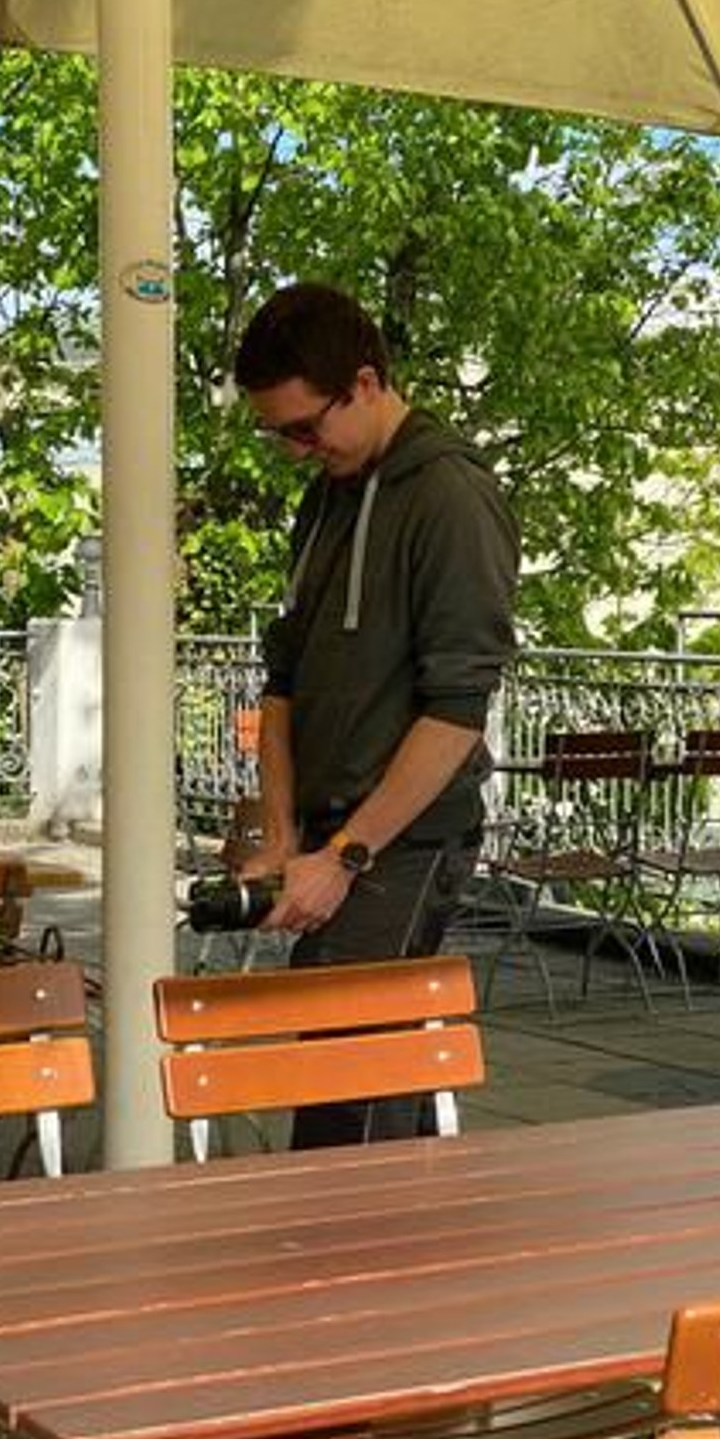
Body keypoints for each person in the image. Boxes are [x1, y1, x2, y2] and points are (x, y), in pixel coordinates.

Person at [235, 281, 519, 1148]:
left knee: (348, 1101)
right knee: (353, 1083)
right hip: (325, 835)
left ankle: (350, 1274)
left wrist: (348, 852)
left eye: (304, 427)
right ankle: (380, 1268)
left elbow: (458, 709)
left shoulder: (450, 495)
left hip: (403, 843)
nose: (293, 449)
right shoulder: (327, 492)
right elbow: (280, 682)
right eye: (276, 432)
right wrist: (284, 834)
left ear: (364, 383)